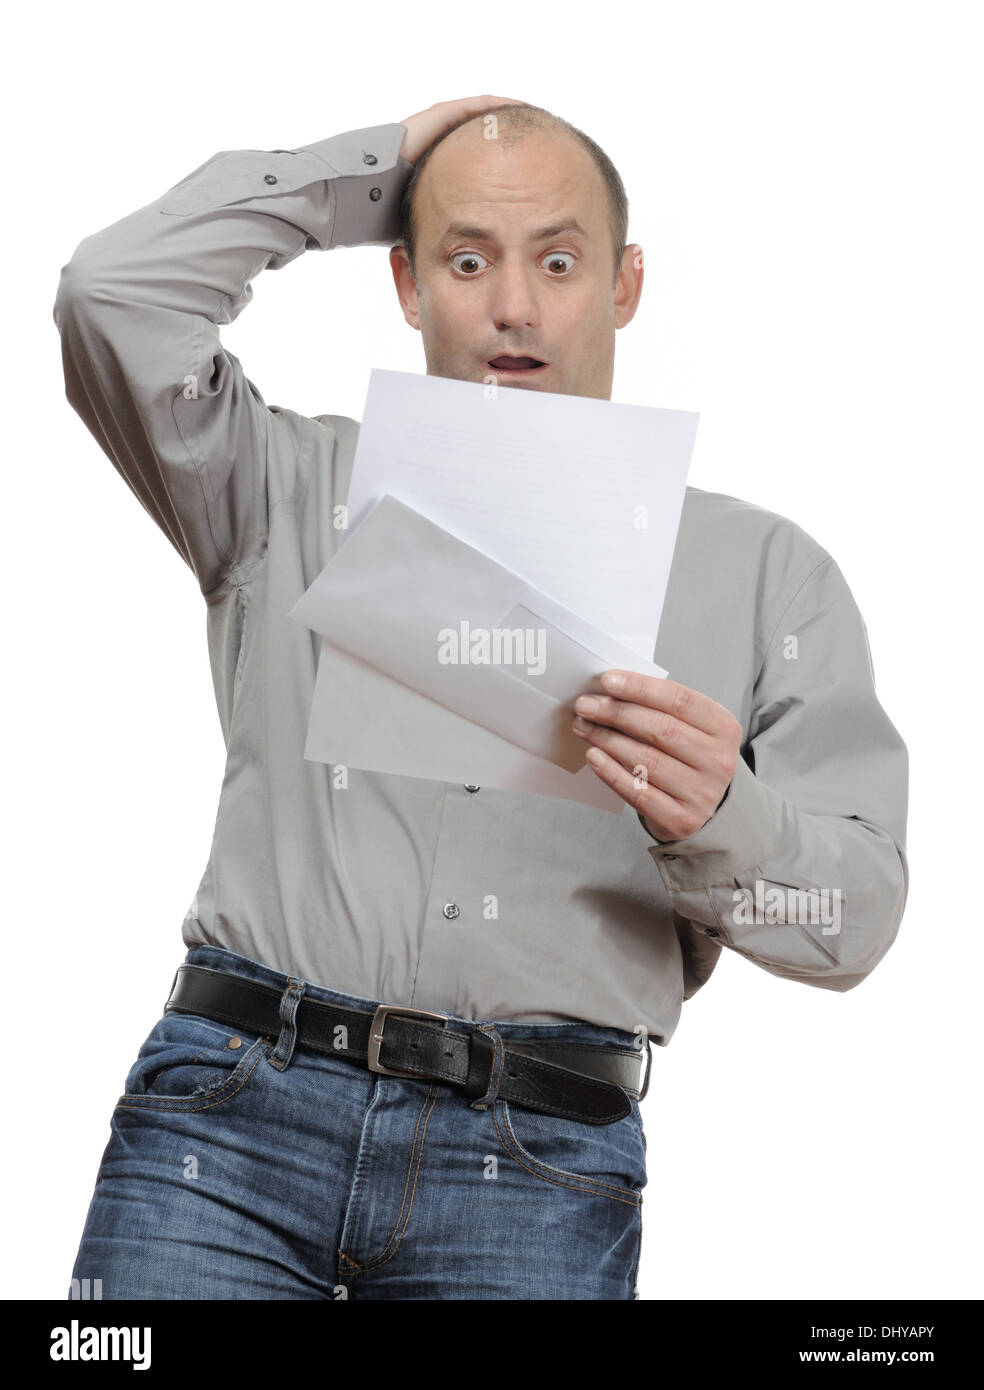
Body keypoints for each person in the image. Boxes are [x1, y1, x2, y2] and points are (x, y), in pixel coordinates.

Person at [53, 95, 909, 1301]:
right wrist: (369, 170)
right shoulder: (280, 490)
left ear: (627, 285)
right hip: (229, 1121)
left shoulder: (770, 575)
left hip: (536, 1166)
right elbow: (110, 296)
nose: (514, 307)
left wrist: (723, 816)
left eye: (559, 261)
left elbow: (857, 915)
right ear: (406, 283)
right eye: (467, 259)